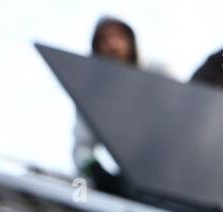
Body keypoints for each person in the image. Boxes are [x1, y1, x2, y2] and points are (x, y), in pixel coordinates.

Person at [72, 16, 174, 193]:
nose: (112, 44)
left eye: (118, 36)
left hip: (172, 172)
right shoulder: (93, 96)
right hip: (133, 182)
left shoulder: (158, 73)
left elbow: (185, 112)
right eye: (104, 39)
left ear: (131, 41)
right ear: (97, 48)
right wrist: (95, 169)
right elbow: (81, 146)